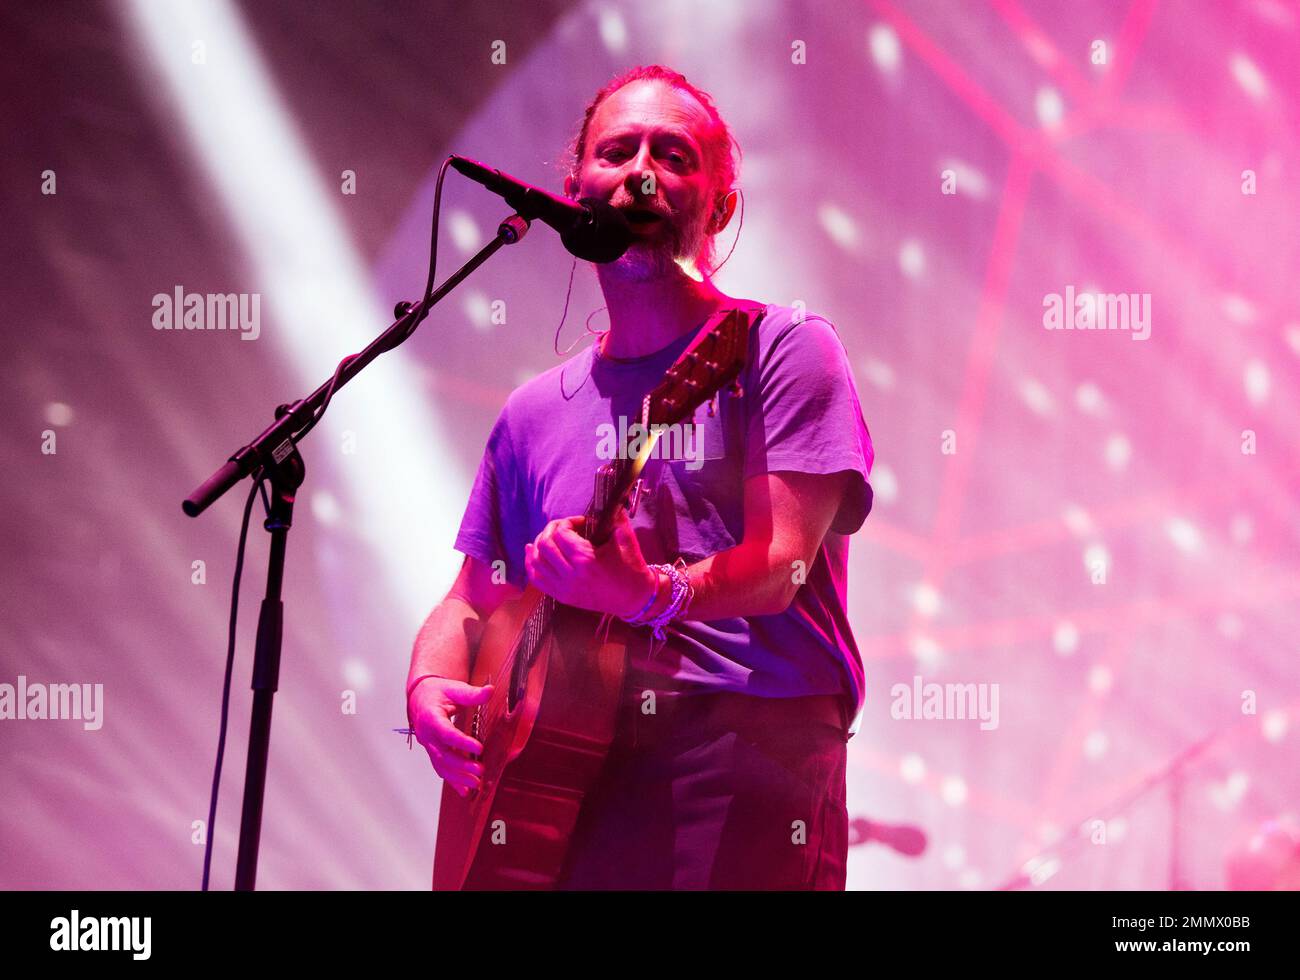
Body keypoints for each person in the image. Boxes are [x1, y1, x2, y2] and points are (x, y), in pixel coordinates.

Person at [406, 65, 874, 889]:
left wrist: (649, 594)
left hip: (747, 749)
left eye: (675, 155)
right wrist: (431, 679)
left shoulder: (784, 347)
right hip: (566, 766)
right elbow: (470, 600)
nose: (643, 172)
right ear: (575, 188)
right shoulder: (531, 412)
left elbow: (784, 564)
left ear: (721, 204)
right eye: (618, 152)